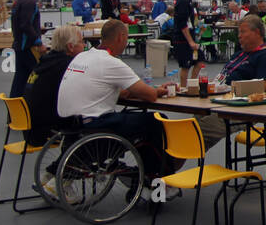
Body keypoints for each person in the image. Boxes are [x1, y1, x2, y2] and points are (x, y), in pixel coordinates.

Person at [56, 19, 177, 179]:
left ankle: (145, 173)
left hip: (69, 120)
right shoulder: (111, 62)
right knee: (156, 121)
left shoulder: (83, 56)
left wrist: (140, 91)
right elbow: (149, 95)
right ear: (120, 37)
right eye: (126, 38)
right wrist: (159, 91)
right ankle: (155, 175)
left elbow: (121, 92)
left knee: (135, 118)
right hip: (95, 123)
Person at [23, 25, 85, 147]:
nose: (84, 45)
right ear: (70, 47)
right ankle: (74, 163)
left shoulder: (45, 62)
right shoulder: (67, 66)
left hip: (30, 128)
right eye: (82, 42)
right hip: (46, 131)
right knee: (93, 123)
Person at [9, 0, 46, 99]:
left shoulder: (19, 0)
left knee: (20, 80)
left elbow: (22, 22)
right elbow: (25, 24)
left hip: (20, 46)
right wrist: (38, 42)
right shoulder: (29, 2)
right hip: (29, 47)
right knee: (40, 76)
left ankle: (14, 111)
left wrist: (36, 28)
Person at [218, 14, 266, 89]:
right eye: (239, 32)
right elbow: (220, 78)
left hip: (238, 97)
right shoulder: (237, 55)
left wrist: (228, 89)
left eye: (243, 32)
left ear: (257, 32)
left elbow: (260, 88)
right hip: (218, 92)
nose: (239, 36)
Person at [171, 0, 203, 90]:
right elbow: (182, 24)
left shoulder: (188, 0)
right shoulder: (182, 1)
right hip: (182, 39)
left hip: (191, 36)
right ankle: (184, 89)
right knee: (185, 66)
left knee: (199, 61)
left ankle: (192, 85)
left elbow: (190, 21)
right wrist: (190, 41)